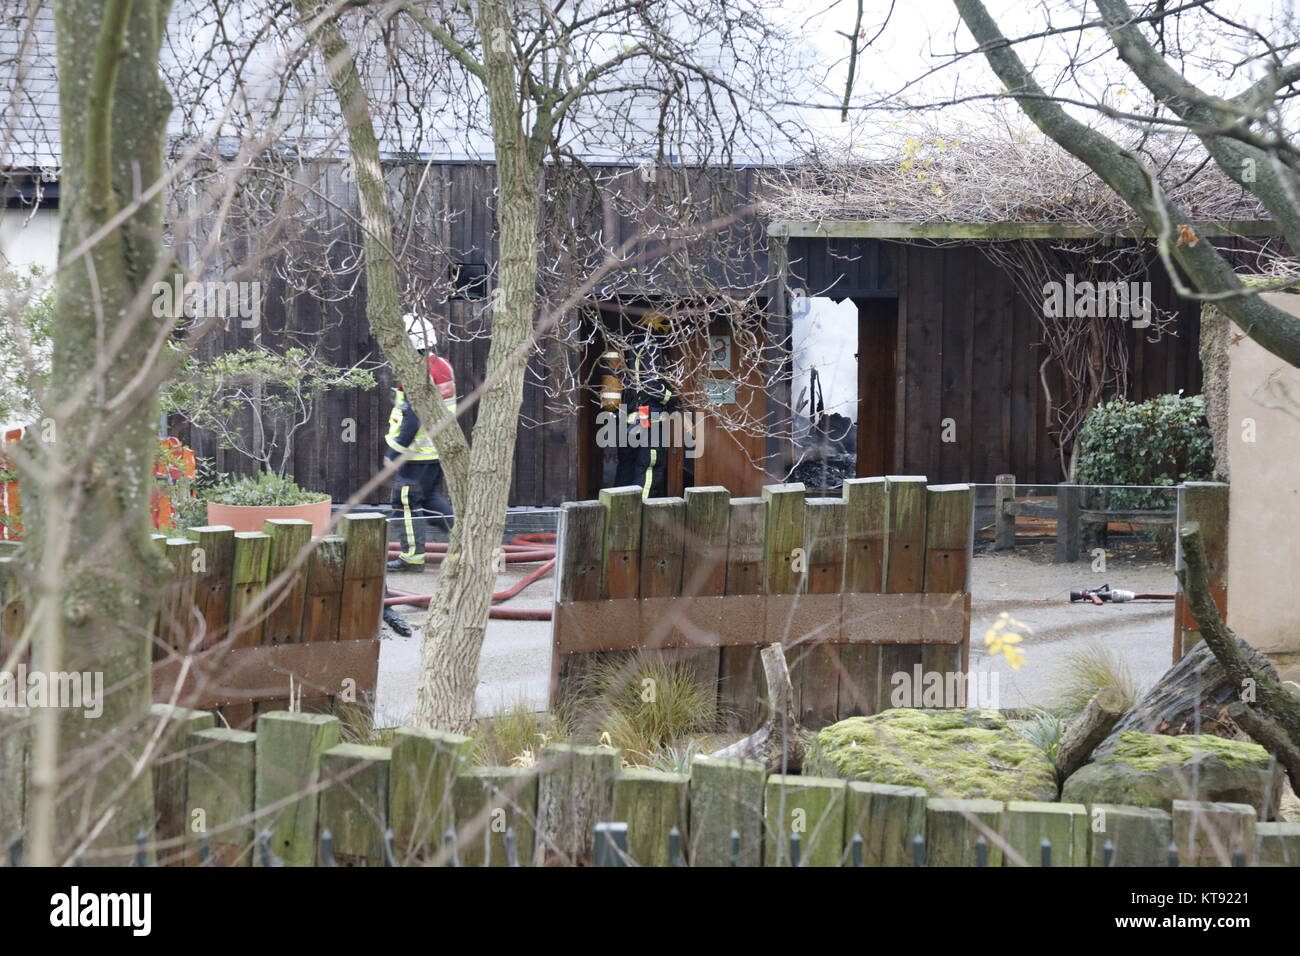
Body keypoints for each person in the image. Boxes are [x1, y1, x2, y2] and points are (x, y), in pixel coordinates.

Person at [386, 313, 456, 572]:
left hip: (415, 454)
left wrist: (394, 453)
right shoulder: (442, 366)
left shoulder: (415, 372)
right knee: (429, 500)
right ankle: (466, 539)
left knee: (406, 502)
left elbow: (413, 419)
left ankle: (411, 558)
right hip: (436, 449)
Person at [612, 314, 678, 499]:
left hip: (629, 418)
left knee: (627, 466)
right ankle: (642, 511)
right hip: (649, 418)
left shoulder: (631, 346)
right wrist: (672, 399)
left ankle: (619, 507)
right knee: (650, 465)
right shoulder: (651, 347)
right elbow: (652, 385)